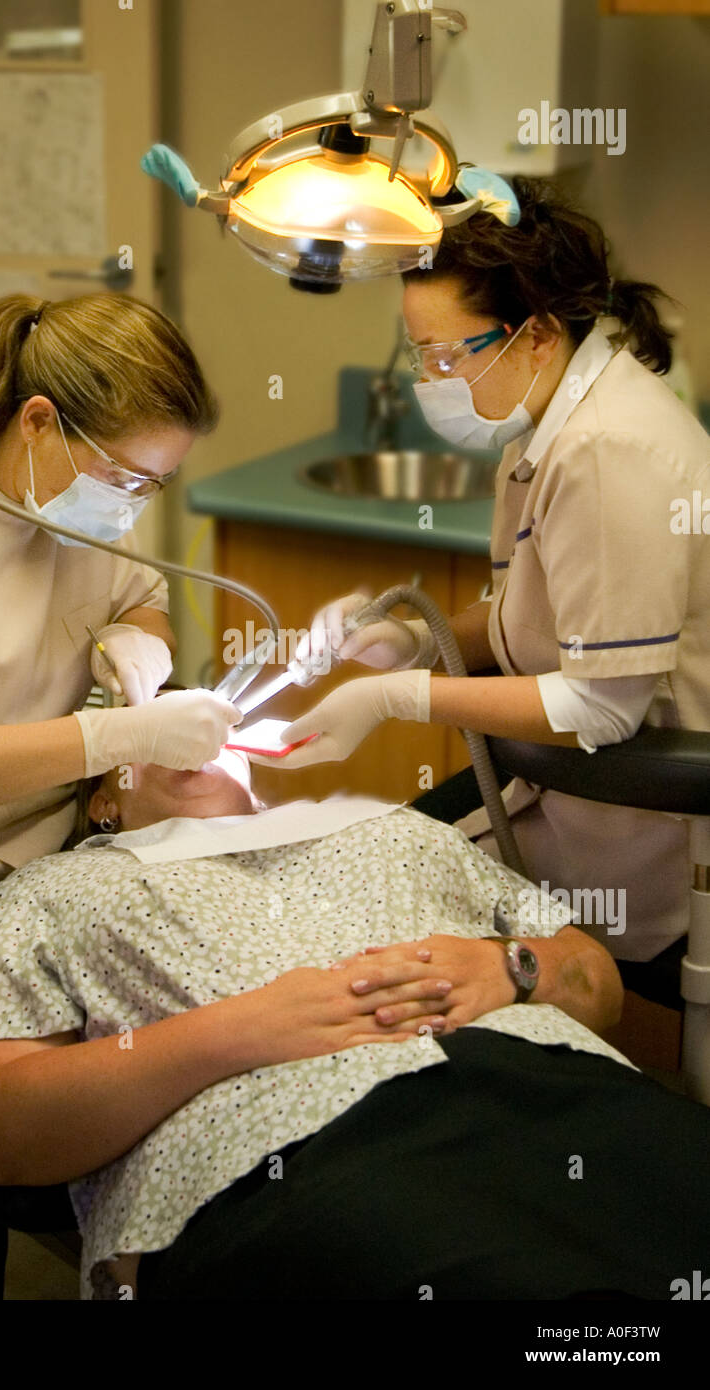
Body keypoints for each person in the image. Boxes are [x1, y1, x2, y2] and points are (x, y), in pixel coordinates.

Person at [0, 753, 710, 1300]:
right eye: (149, 728)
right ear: (103, 801)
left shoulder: (388, 829)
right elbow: (2, 1136)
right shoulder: (51, 890)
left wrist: (513, 968)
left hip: (564, 1094)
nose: (187, 736)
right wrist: (238, 1030)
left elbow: (596, 987)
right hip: (289, 1160)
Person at [0, 291, 239, 1293]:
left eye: (156, 485)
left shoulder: (66, 492)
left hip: (58, 852)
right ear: (35, 421)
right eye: (129, 479)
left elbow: (133, 585)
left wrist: (138, 641)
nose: (134, 506)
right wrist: (115, 732)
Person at [270, 176, 709, 972]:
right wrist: (401, 642)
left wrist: (393, 698)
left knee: (373, 903)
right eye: (418, 352)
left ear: (536, 334)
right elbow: (526, 614)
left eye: (446, 353)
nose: (430, 378)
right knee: (368, 865)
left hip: (647, 824)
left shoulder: (608, 451)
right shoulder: (546, 416)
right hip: (559, 790)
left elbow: (599, 708)